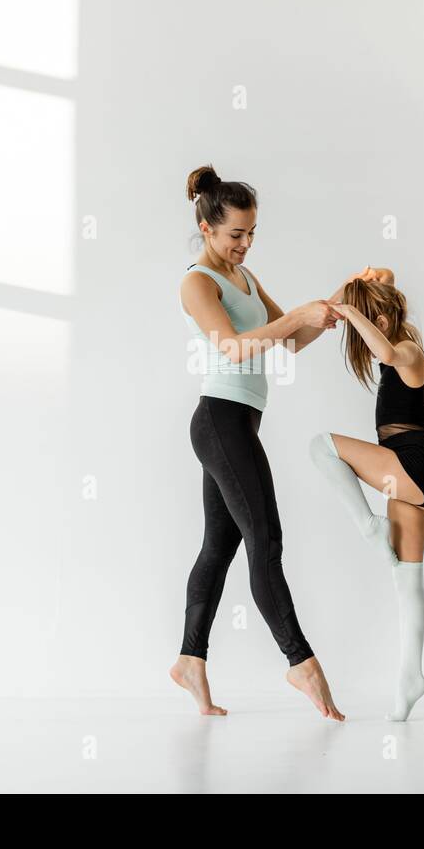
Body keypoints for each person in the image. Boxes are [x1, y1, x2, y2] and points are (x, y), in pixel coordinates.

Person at [170, 164, 346, 721]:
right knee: (264, 540)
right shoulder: (198, 281)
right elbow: (234, 348)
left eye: (251, 234)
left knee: (218, 547)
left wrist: (337, 304)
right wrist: (294, 315)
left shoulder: (245, 278)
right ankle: (300, 662)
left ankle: (189, 661)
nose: (245, 244)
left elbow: (291, 339)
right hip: (219, 422)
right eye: (234, 235)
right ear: (206, 228)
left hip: (241, 423)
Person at [307, 266, 424, 721]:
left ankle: (368, 526)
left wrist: (353, 310)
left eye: (372, 322)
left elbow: (383, 347)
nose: (367, 337)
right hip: (408, 476)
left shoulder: (408, 349)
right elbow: (345, 303)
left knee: (321, 446)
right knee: (407, 580)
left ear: (384, 320)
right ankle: (410, 679)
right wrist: (353, 285)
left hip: (409, 465)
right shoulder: (397, 334)